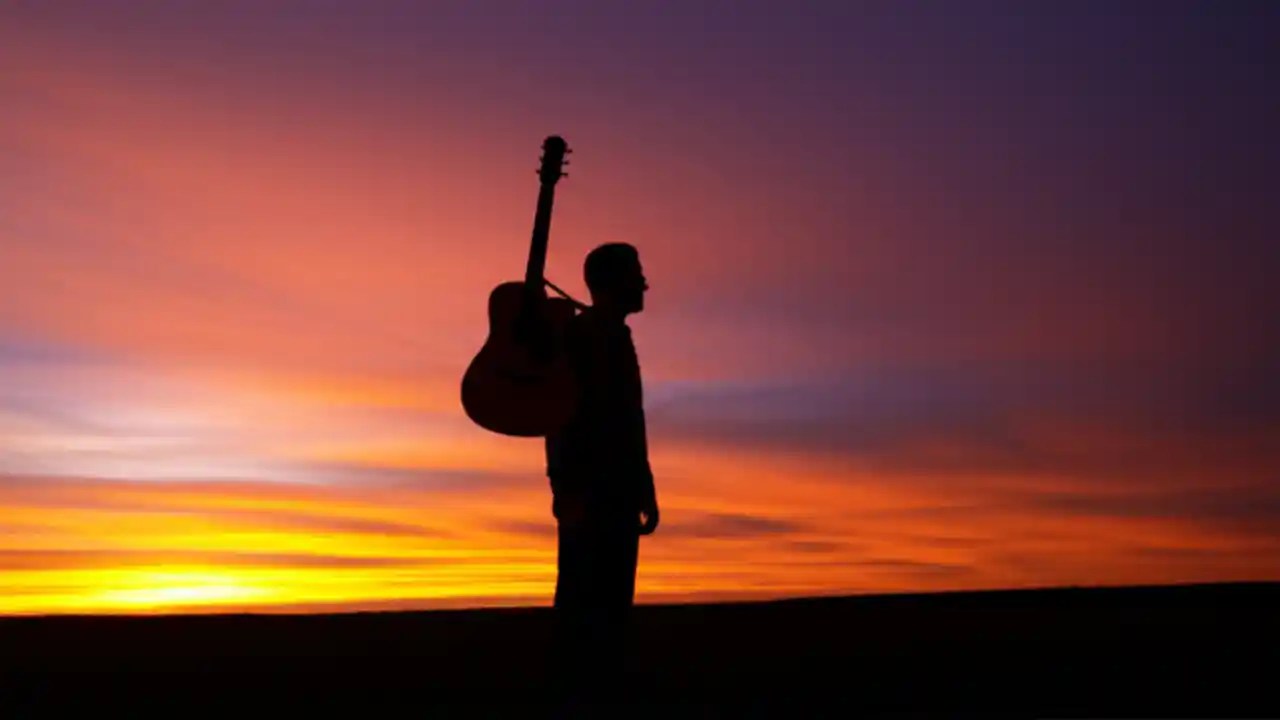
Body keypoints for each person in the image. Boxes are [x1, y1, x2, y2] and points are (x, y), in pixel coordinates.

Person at [545, 242, 659, 705]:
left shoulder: (610, 335)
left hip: (612, 495)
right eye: (635, 273)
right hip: (590, 497)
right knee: (586, 613)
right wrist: (567, 490)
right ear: (612, 282)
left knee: (608, 612)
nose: (644, 282)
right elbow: (561, 417)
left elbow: (631, 421)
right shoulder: (583, 338)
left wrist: (643, 490)